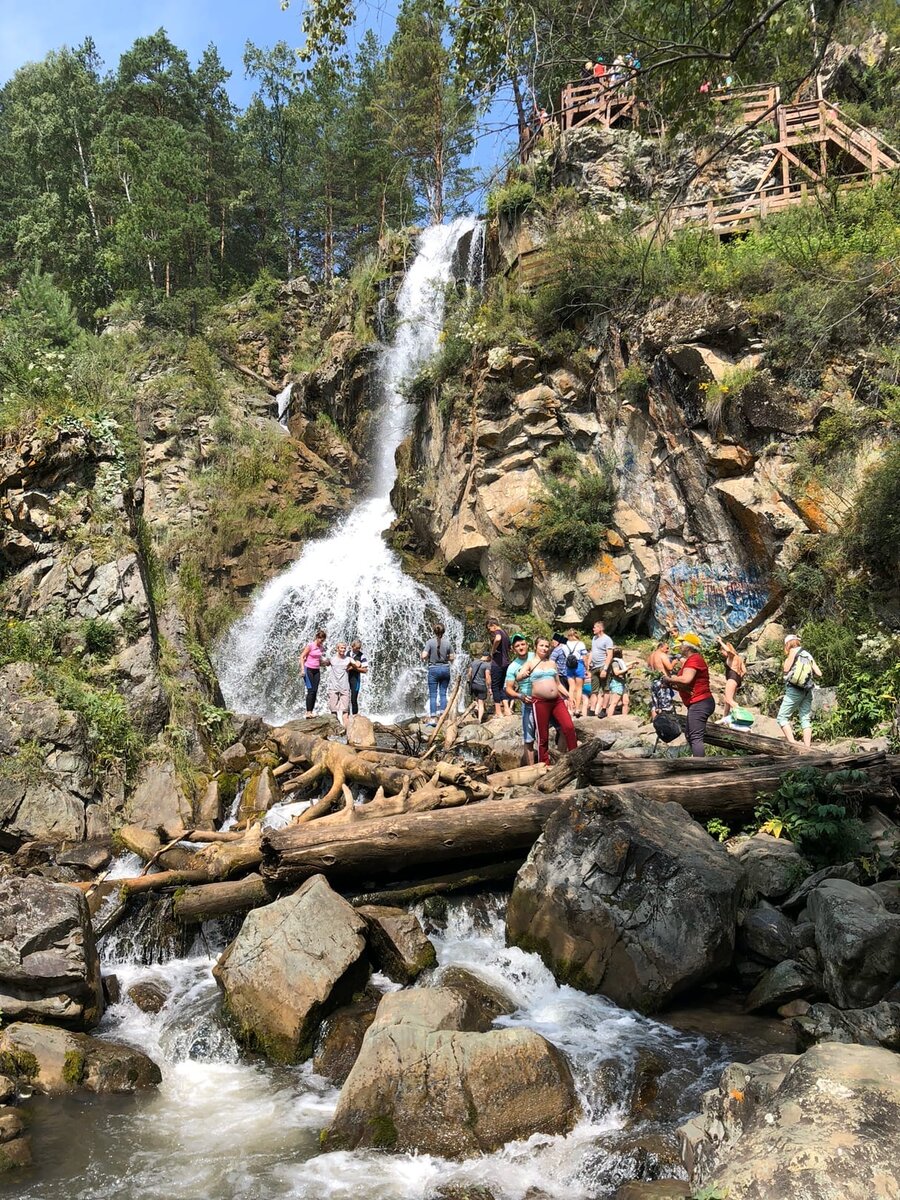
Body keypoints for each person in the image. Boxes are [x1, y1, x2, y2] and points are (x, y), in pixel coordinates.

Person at [516, 637, 577, 766]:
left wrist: (569, 696)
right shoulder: (530, 663)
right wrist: (523, 674)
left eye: (546, 646)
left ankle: (576, 757)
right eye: (541, 646)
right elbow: (518, 677)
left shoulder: (552, 663)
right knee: (543, 735)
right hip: (540, 702)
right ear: (536, 647)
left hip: (557, 701)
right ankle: (544, 764)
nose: (544, 648)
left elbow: (558, 684)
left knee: (569, 727)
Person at [662, 633, 715, 757]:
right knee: (689, 734)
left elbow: (686, 679)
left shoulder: (694, 659)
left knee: (695, 736)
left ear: (688, 646)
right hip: (696, 702)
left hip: (700, 702)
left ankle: (700, 767)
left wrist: (670, 679)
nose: (679, 646)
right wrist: (671, 684)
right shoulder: (691, 660)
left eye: (682, 644)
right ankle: (697, 760)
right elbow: (687, 686)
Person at [777, 634, 822, 749]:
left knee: (782, 717)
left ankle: (792, 743)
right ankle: (807, 747)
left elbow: (786, 669)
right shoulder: (807, 654)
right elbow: (819, 673)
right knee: (805, 718)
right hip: (807, 690)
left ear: (788, 644)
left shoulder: (792, 652)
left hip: (794, 690)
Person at [505, 634, 538, 765]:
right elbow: (508, 689)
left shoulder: (536, 656)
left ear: (527, 645)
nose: (521, 647)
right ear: (513, 649)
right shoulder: (512, 667)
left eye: (522, 644)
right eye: (517, 646)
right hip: (528, 702)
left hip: (545, 700)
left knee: (560, 729)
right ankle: (531, 769)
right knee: (529, 738)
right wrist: (520, 696)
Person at [322, 641, 359, 730]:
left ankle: (347, 731)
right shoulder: (332, 659)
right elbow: (323, 663)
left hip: (345, 688)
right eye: (341, 648)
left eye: (344, 648)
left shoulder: (348, 659)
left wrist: (355, 665)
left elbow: (357, 664)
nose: (343, 650)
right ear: (337, 649)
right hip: (333, 688)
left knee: (345, 711)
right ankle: (335, 729)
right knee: (333, 710)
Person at [421, 623, 453, 726]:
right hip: (445, 669)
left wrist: (428, 656)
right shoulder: (447, 643)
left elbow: (424, 655)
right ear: (443, 632)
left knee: (433, 695)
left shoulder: (430, 642)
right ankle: (443, 716)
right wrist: (445, 658)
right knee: (443, 693)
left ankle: (433, 718)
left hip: (433, 669)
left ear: (434, 631)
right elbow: (452, 657)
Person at [717, 636, 747, 724]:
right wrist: (738, 679)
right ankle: (724, 718)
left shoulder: (731, 656)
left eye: (722, 651)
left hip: (732, 678)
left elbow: (729, 651)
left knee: (729, 700)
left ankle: (742, 716)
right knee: (727, 701)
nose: (722, 654)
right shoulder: (739, 658)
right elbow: (744, 671)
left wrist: (720, 641)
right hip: (737, 679)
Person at [486, 618, 512, 717]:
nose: (490, 631)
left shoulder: (498, 632)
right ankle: (507, 709)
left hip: (498, 663)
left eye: (489, 629)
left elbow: (497, 639)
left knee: (495, 687)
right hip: (506, 663)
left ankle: (498, 712)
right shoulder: (505, 633)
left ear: (493, 625)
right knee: (501, 687)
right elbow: (510, 648)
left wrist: (493, 650)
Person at [299, 628, 327, 716]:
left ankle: (311, 711)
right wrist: (302, 669)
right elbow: (302, 657)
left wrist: (325, 663)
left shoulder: (321, 648)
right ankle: (308, 712)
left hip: (316, 670)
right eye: (320, 639)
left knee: (315, 691)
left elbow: (319, 660)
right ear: (317, 637)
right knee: (310, 690)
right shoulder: (310, 646)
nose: (321, 641)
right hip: (308, 670)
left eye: (322, 640)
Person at [588, 620, 614, 715]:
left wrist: (605, 669)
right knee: (594, 690)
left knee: (605, 689)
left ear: (601, 628)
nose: (593, 629)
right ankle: (591, 710)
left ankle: (603, 710)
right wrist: (589, 662)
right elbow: (592, 651)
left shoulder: (607, 639)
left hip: (603, 666)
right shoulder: (594, 638)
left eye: (595, 627)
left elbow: (610, 655)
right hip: (594, 667)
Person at [563, 627, 588, 715]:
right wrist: (587, 668)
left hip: (569, 666)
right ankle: (577, 709)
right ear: (576, 635)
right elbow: (585, 657)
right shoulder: (580, 644)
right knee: (579, 688)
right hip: (579, 665)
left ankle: (570, 709)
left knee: (571, 688)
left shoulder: (564, 644)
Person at [605, 648, 632, 716]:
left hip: (623, 683)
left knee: (625, 702)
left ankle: (624, 718)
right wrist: (627, 669)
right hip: (617, 684)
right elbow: (616, 672)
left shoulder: (620, 661)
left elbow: (625, 664)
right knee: (614, 702)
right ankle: (609, 718)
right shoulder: (615, 662)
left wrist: (633, 662)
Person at [468, 648, 491, 723]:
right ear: (488, 657)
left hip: (474, 685)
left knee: (476, 699)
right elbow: (487, 677)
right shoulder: (487, 665)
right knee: (481, 702)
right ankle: (479, 719)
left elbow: (469, 673)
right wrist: (489, 687)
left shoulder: (473, 662)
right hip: (481, 685)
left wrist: (470, 681)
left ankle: (476, 708)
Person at [347, 639, 368, 716]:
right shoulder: (346, 653)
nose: (358, 649)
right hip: (345, 678)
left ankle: (355, 717)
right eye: (357, 648)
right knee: (346, 699)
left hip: (355, 679)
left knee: (353, 698)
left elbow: (365, 670)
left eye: (359, 648)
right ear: (352, 647)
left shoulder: (361, 656)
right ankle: (347, 716)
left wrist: (354, 668)